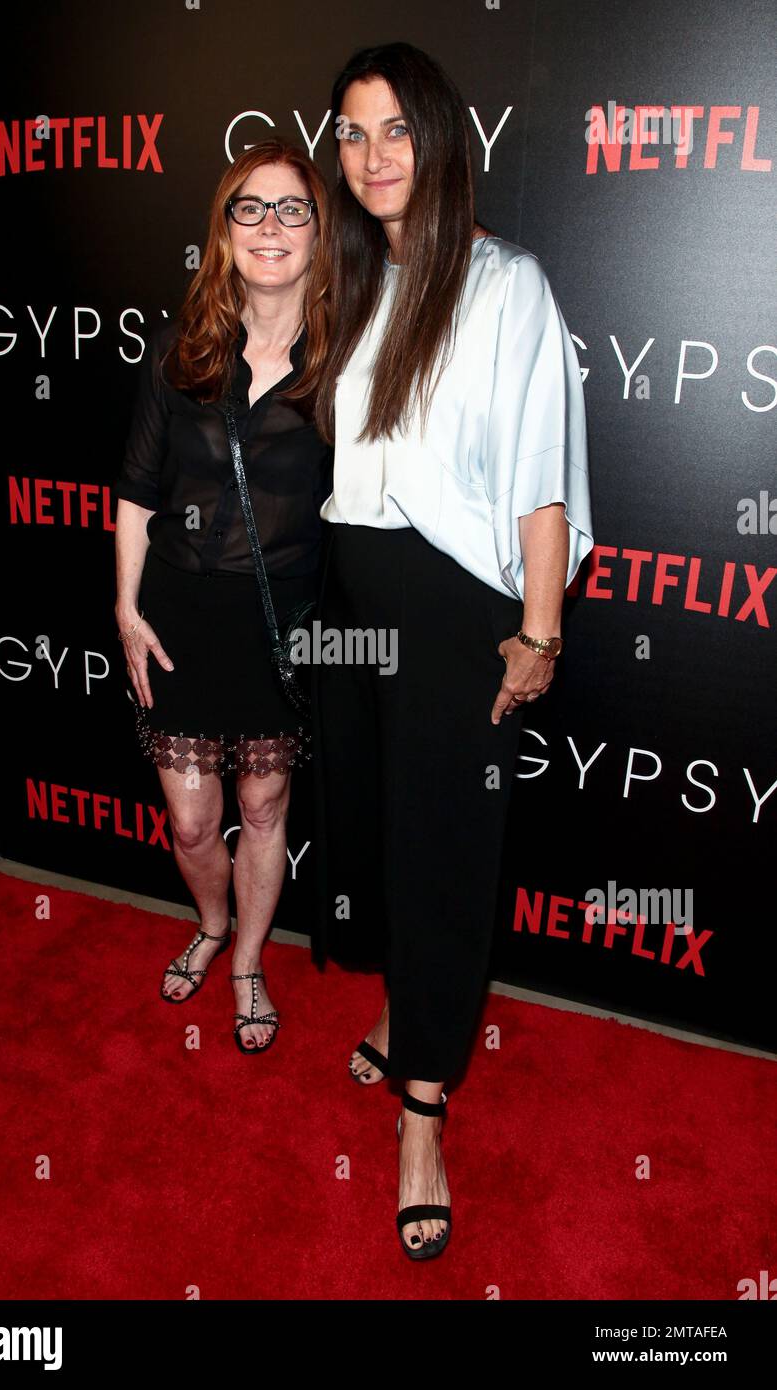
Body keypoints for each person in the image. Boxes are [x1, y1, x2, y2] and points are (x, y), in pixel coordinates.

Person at [310, 44, 595, 1257]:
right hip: (348, 588)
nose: (374, 157)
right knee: (373, 828)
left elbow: (540, 471)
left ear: (436, 137)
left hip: (444, 609)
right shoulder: (355, 277)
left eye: (395, 131)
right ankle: (399, 1000)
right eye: (352, 134)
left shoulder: (503, 283)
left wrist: (538, 628)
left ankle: (420, 1113)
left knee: (439, 851)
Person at [114, 140, 332, 1053]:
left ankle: (246, 959)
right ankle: (208, 921)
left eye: (291, 209)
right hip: (179, 616)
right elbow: (134, 489)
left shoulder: (348, 361)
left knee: (266, 810)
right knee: (195, 819)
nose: (270, 227)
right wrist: (126, 611)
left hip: (282, 625)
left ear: (320, 233)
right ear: (224, 228)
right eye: (250, 208)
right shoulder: (179, 350)